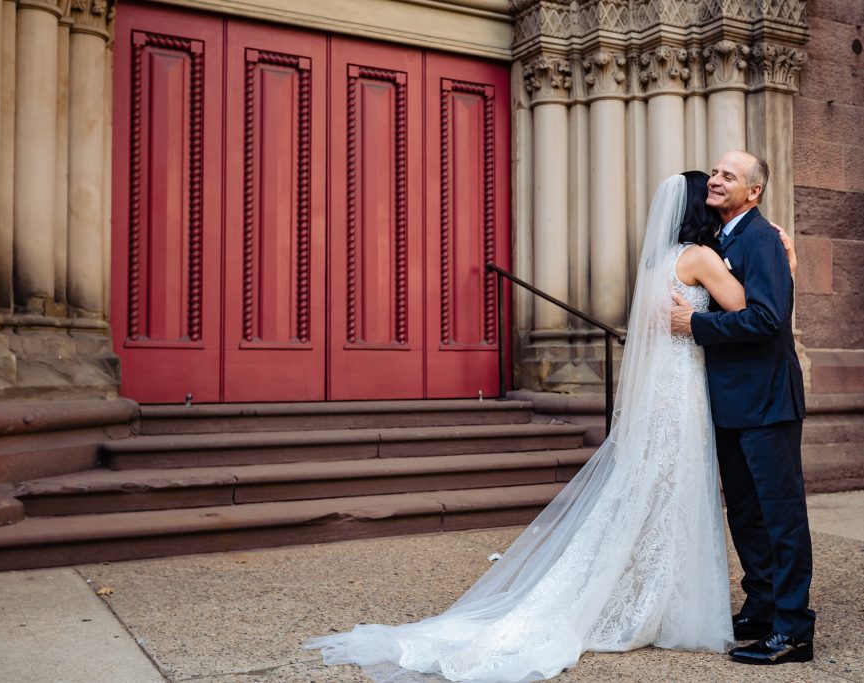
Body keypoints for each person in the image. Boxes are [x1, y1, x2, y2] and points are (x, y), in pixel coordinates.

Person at [305, 171, 795, 682]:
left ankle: (664, 594)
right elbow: (748, 306)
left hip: (670, 389)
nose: (718, 195)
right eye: (711, 190)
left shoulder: (659, 260)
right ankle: (667, 599)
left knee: (656, 490)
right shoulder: (701, 257)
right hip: (686, 389)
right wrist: (786, 261)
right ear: (700, 207)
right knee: (677, 490)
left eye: (727, 181)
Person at [671, 149, 815, 666]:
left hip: (768, 402)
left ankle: (794, 629)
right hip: (731, 404)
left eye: (728, 175)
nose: (714, 180)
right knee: (748, 517)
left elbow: (768, 319)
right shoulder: (722, 240)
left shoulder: (761, 238)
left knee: (781, 518)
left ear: (753, 192)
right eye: (713, 172)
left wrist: (696, 325)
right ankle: (761, 607)